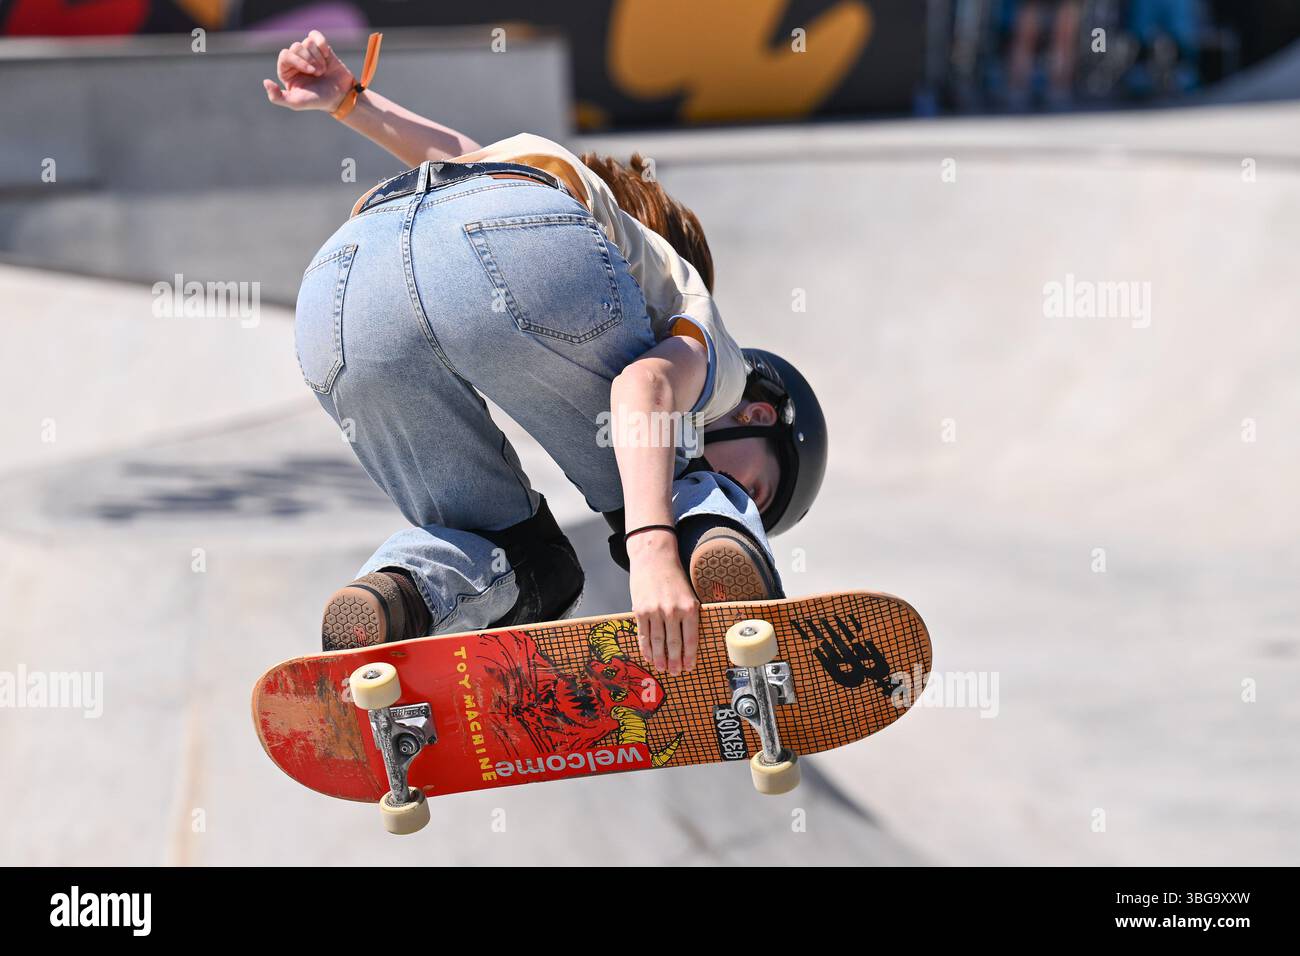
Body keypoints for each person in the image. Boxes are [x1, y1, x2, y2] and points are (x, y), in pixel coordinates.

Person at [264, 32, 827, 675]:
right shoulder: (710, 341)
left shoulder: (545, 186)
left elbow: (458, 171)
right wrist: (651, 549)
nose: (742, 492)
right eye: (752, 490)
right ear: (760, 415)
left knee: (514, 553)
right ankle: (709, 543)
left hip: (343, 288)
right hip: (497, 261)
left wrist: (349, 102)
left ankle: (398, 599)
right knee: (677, 477)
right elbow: (644, 387)